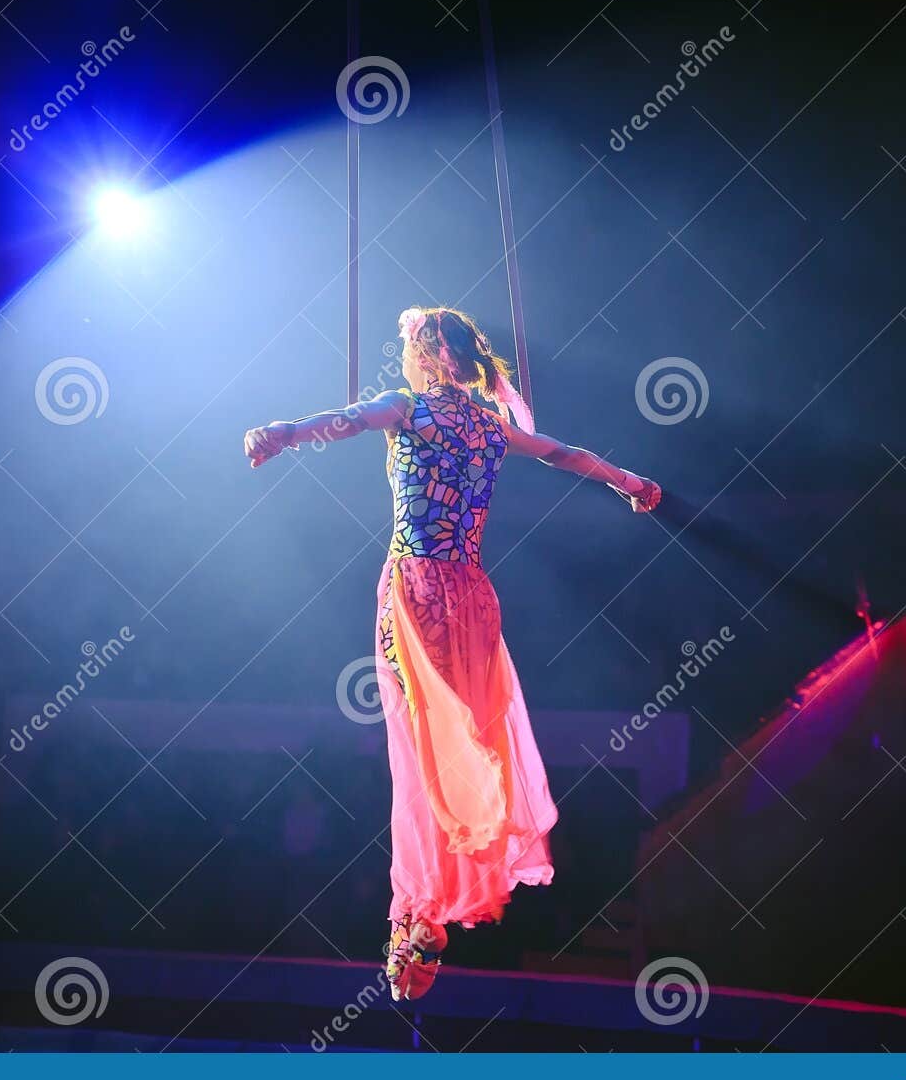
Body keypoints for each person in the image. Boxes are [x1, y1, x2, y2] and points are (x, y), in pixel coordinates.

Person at [244, 306, 659, 999]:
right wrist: (632, 482)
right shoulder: (492, 426)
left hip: (416, 589)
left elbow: (348, 418)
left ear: (434, 353)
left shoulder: (407, 408)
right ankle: (419, 911)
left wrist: (285, 433)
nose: (403, 355)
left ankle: (419, 912)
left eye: (409, 345)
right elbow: (569, 455)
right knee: (445, 745)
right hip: (471, 599)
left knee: (422, 748)